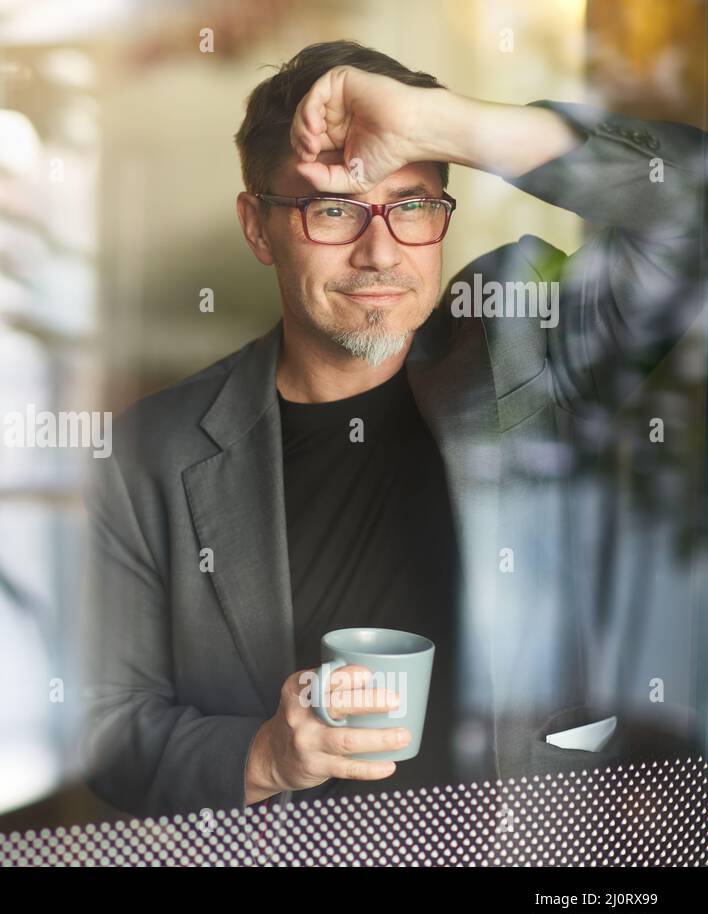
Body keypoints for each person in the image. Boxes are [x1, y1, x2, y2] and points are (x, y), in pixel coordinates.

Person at [81, 40, 706, 818]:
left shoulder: (523, 341)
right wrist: (265, 755)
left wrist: (446, 125)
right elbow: (109, 727)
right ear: (258, 226)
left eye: (410, 204)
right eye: (333, 208)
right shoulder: (156, 449)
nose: (380, 252)